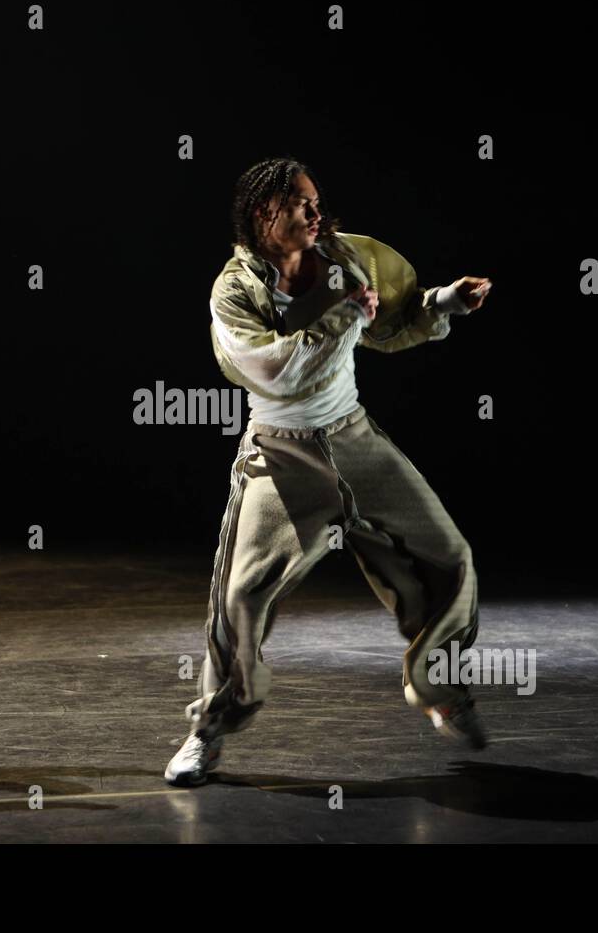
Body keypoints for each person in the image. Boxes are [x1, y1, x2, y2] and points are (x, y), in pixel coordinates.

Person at [165, 158, 493, 787]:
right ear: (266, 214)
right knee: (240, 598)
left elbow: (393, 318)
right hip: (280, 455)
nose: (316, 214)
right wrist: (344, 314)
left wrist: (447, 301)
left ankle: (439, 688)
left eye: (317, 202)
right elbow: (277, 372)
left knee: (450, 556)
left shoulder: (344, 256)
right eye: (301, 205)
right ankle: (207, 731)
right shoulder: (233, 291)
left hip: (352, 436)